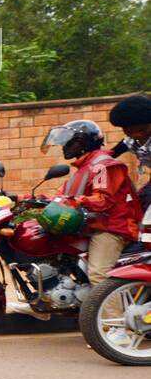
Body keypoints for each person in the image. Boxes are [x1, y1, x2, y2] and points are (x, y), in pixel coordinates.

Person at [42, 119, 142, 286]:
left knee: (98, 275)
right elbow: (61, 196)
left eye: (67, 142)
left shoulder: (104, 166)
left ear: (82, 142)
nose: (63, 147)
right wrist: (23, 199)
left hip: (112, 228)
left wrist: (77, 201)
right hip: (91, 227)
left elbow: (103, 200)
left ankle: (110, 313)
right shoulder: (85, 167)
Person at [109, 94, 151, 212]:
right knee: (137, 204)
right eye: (129, 131)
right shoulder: (130, 141)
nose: (137, 135)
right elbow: (111, 153)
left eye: (142, 130)